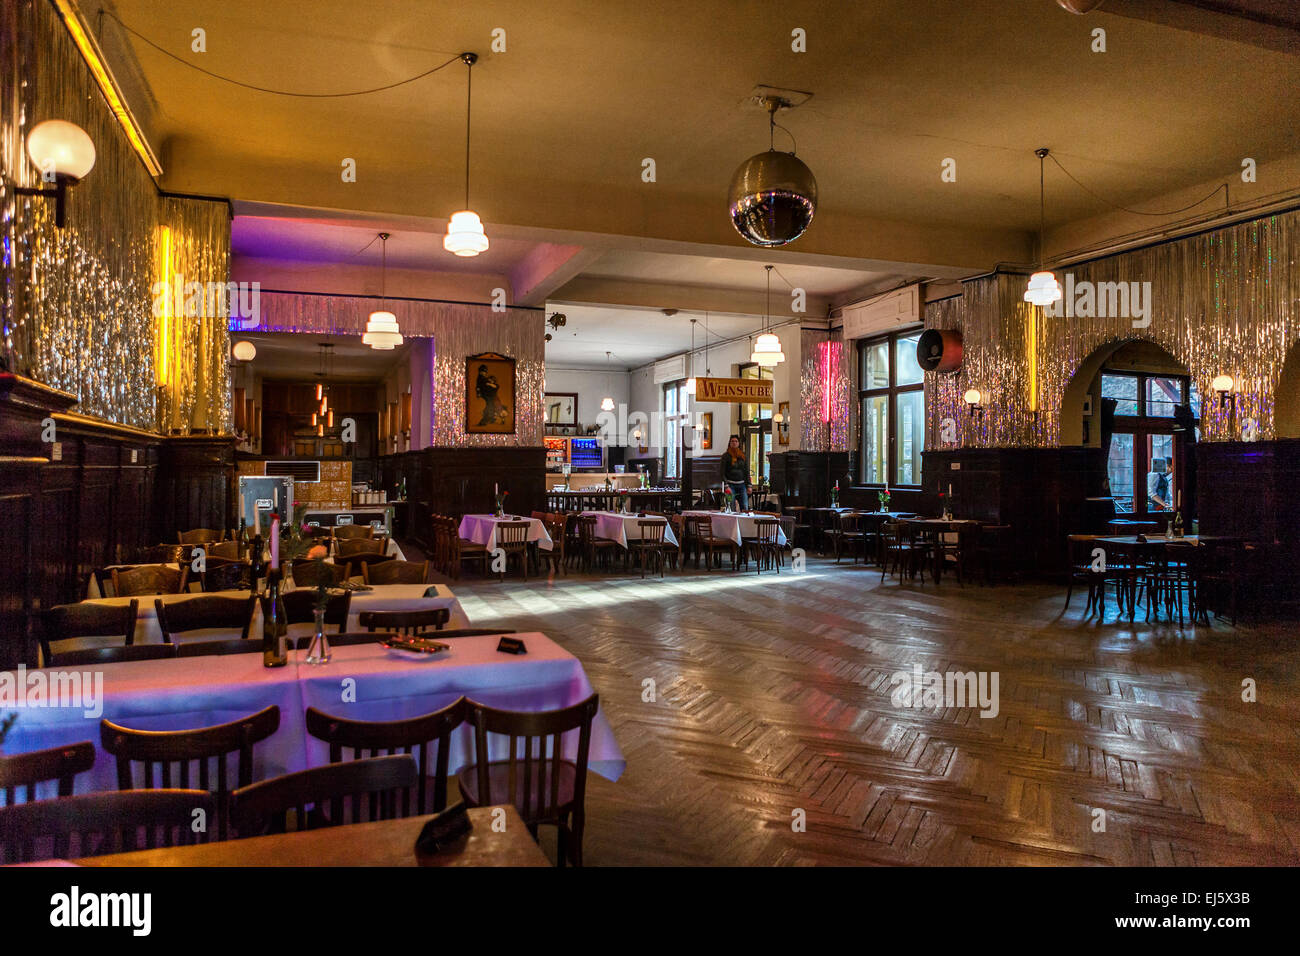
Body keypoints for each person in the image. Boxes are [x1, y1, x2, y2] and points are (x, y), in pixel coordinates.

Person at [720, 435, 749, 511]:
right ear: (729, 443)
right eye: (732, 441)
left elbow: (746, 471)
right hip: (730, 485)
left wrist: (749, 485)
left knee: (745, 507)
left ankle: (744, 523)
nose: (734, 443)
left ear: (739, 443)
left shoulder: (743, 456)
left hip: (742, 485)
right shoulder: (725, 456)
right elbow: (722, 472)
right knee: (730, 506)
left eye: (736, 441)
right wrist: (726, 486)